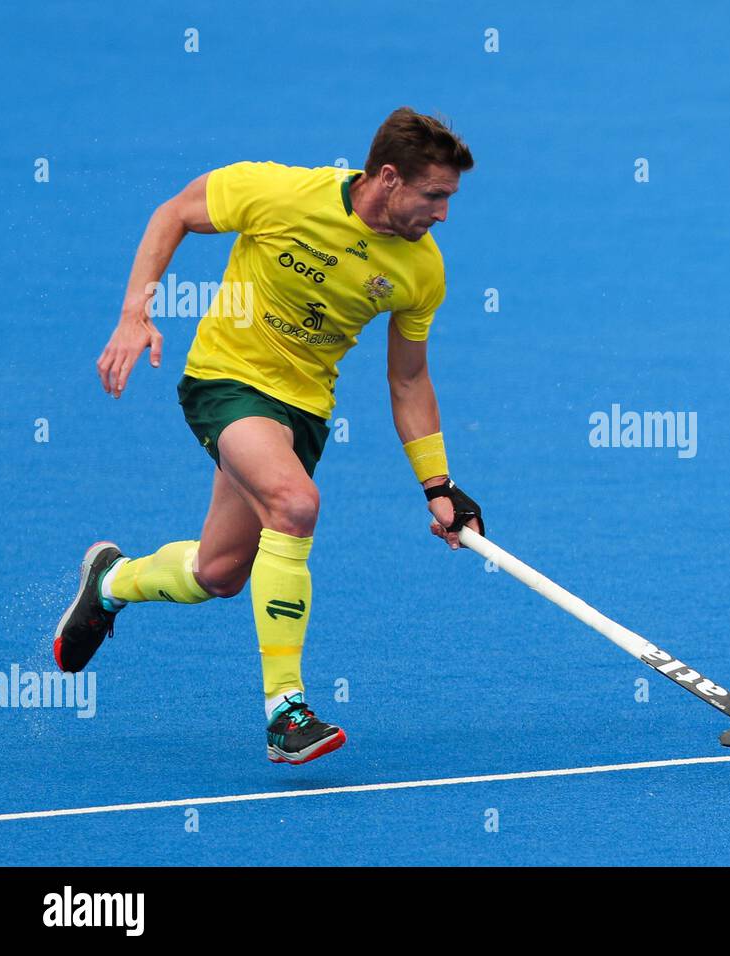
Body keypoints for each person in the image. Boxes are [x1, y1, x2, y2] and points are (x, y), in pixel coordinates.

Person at [54, 107, 483, 764]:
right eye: (435, 196)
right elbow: (174, 213)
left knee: (220, 572)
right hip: (225, 380)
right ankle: (286, 713)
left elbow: (408, 383)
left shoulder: (420, 271)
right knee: (296, 503)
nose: (444, 214)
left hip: (302, 414)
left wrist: (439, 483)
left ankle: (111, 582)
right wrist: (134, 312)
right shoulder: (280, 193)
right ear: (389, 178)